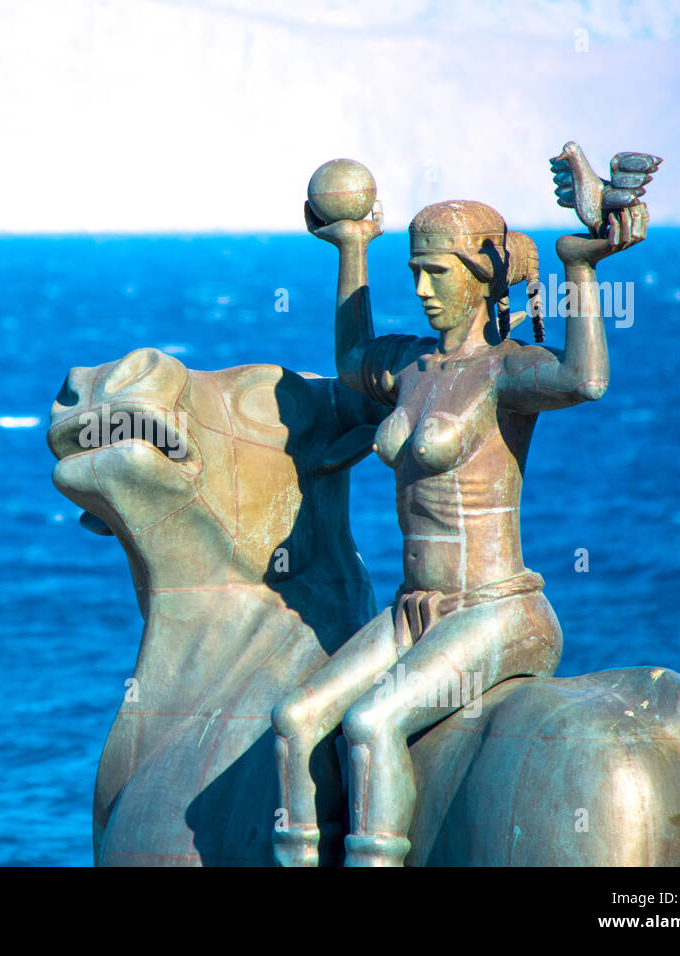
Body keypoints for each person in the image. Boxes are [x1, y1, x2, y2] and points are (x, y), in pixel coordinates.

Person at [271, 195, 648, 866]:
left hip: (496, 609)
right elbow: (353, 352)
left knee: (369, 723)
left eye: (437, 272)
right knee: (295, 721)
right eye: (414, 271)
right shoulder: (411, 367)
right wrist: (352, 245)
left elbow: (584, 380)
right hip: (414, 611)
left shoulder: (505, 369)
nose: (421, 289)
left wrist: (580, 272)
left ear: (481, 276)